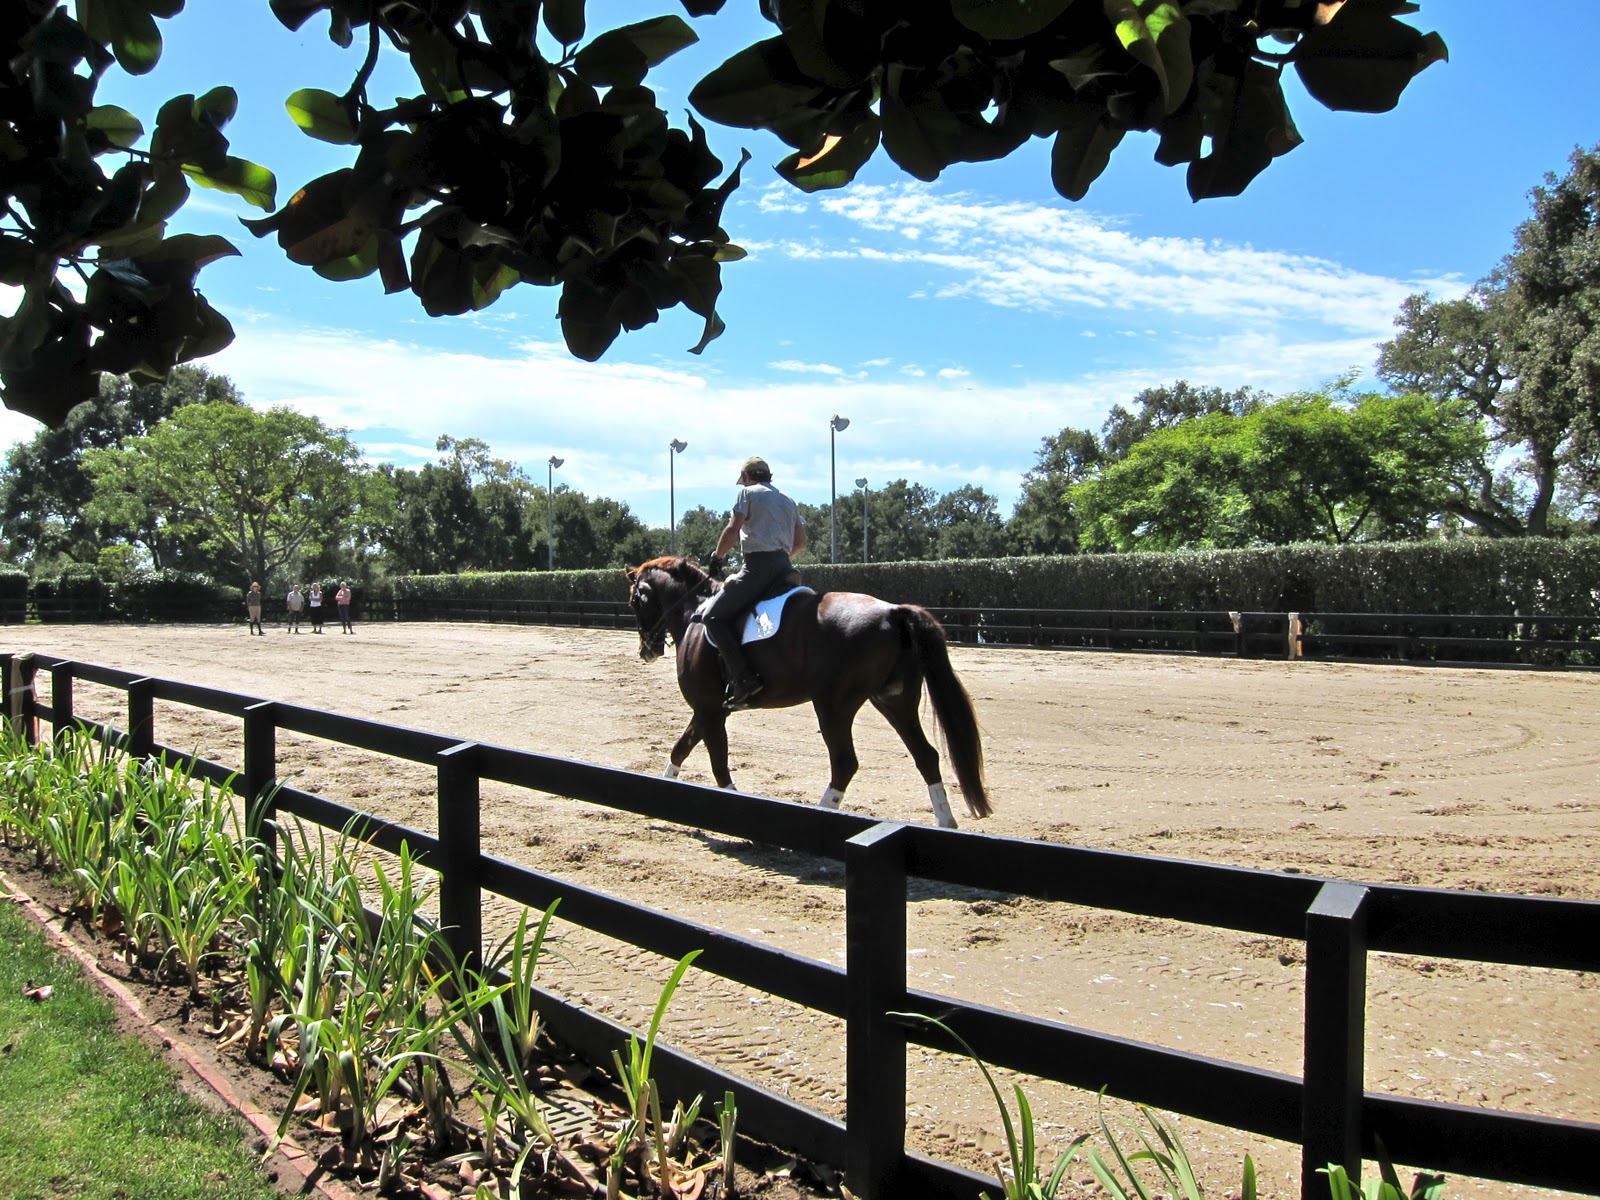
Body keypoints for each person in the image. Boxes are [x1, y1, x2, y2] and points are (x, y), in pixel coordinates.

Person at [699, 456, 807, 709]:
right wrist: (780, 556)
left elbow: (732, 528)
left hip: (757, 569)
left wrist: (717, 557)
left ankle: (744, 679)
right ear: (768, 476)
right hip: (785, 569)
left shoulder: (747, 494)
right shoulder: (788, 500)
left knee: (712, 617)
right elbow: (801, 541)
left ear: (747, 477)